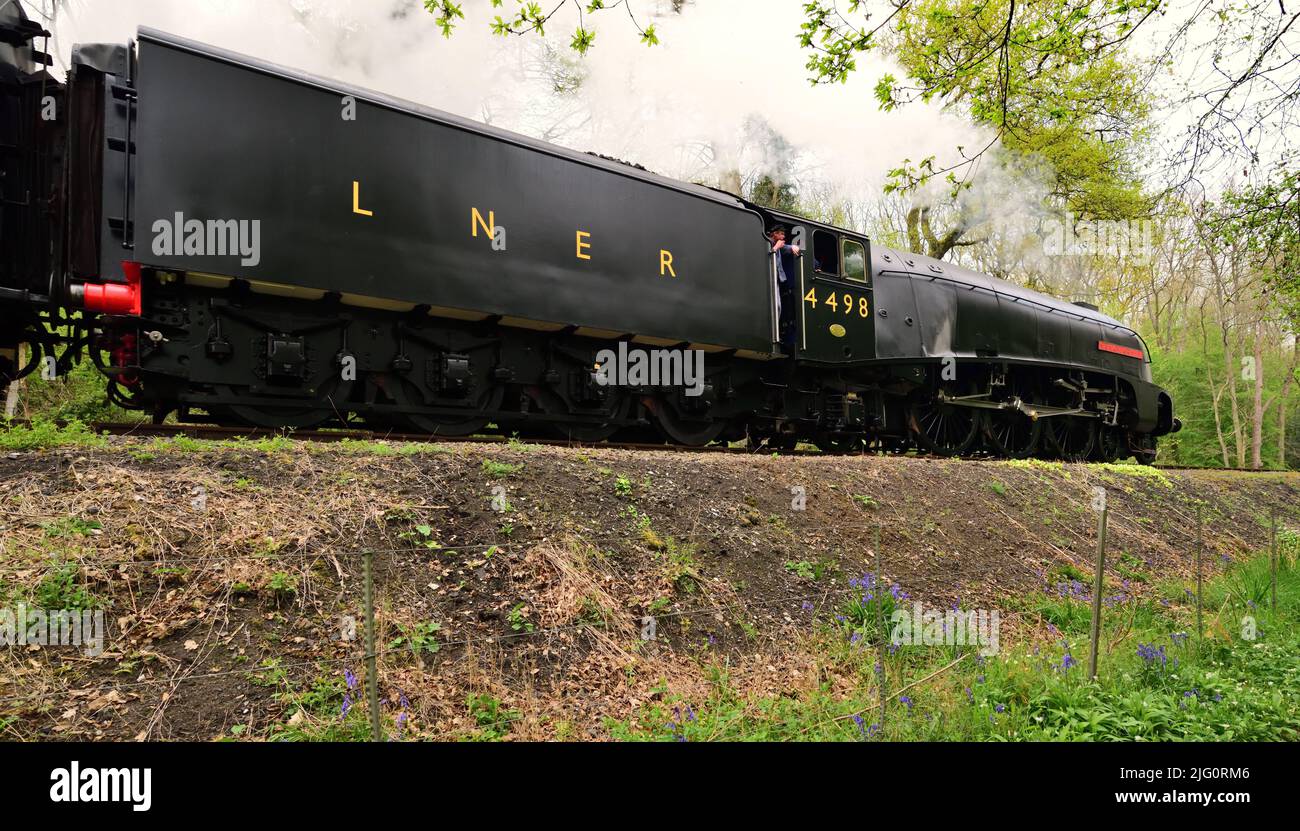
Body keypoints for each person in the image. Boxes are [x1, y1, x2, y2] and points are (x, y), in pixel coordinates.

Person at [768, 225, 801, 350]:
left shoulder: (780, 246)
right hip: (768, 277)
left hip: (776, 279)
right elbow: (768, 255)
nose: (783, 237)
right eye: (781, 234)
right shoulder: (768, 243)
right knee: (775, 307)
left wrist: (793, 247)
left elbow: (787, 248)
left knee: (779, 307)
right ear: (774, 234)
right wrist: (776, 247)